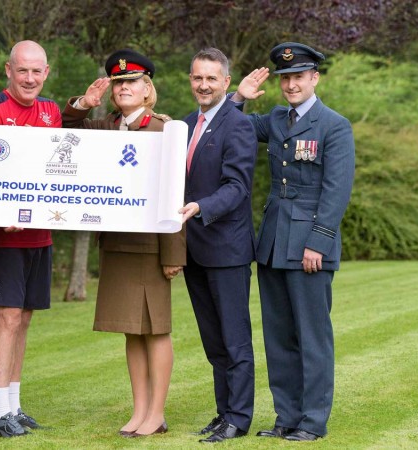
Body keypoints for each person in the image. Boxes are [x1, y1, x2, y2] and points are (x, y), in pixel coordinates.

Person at [231, 42, 356, 441]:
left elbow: (336, 191)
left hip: (308, 246)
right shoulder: (276, 120)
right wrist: (238, 99)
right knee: (279, 336)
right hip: (272, 243)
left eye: (298, 76)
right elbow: (231, 130)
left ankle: (313, 422)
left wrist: (317, 243)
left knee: (312, 338)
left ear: (314, 78)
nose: (290, 84)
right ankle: (286, 417)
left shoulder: (333, 125)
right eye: (285, 78)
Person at [63, 49, 186, 438]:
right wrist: (85, 103)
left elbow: (175, 195)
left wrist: (173, 253)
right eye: (118, 83)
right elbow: (66, 129)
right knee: (131, 330)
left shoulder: (164, 129)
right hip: (117, 245)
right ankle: (139, 412)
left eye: (131, 82)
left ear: (147, 87)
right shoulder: (107, 127)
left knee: (156, 330)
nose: (123, 88)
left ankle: (157, 413)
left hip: (152, 246)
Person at [0, 40, 62, 438]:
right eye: (22, 70)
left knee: (23, 319)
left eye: (37, 71)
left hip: (39, 234)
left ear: (46, 72)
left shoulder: (51, 111)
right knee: (6, 317)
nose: (30, 78)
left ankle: (15, 406)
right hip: (2, 238)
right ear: (8, 70)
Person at [178, 47, 257, 443]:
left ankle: (239, 418)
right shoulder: (187, 123)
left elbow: (237, 187)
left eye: (212, 78)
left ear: (226, 81)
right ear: (190, 80)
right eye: (197, 78)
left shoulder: (237, 125)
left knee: (234, 339)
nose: (204, 85)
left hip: (226, 249)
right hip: (194, 249)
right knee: (213, 342)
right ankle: (223, 412)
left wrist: (200, 207)